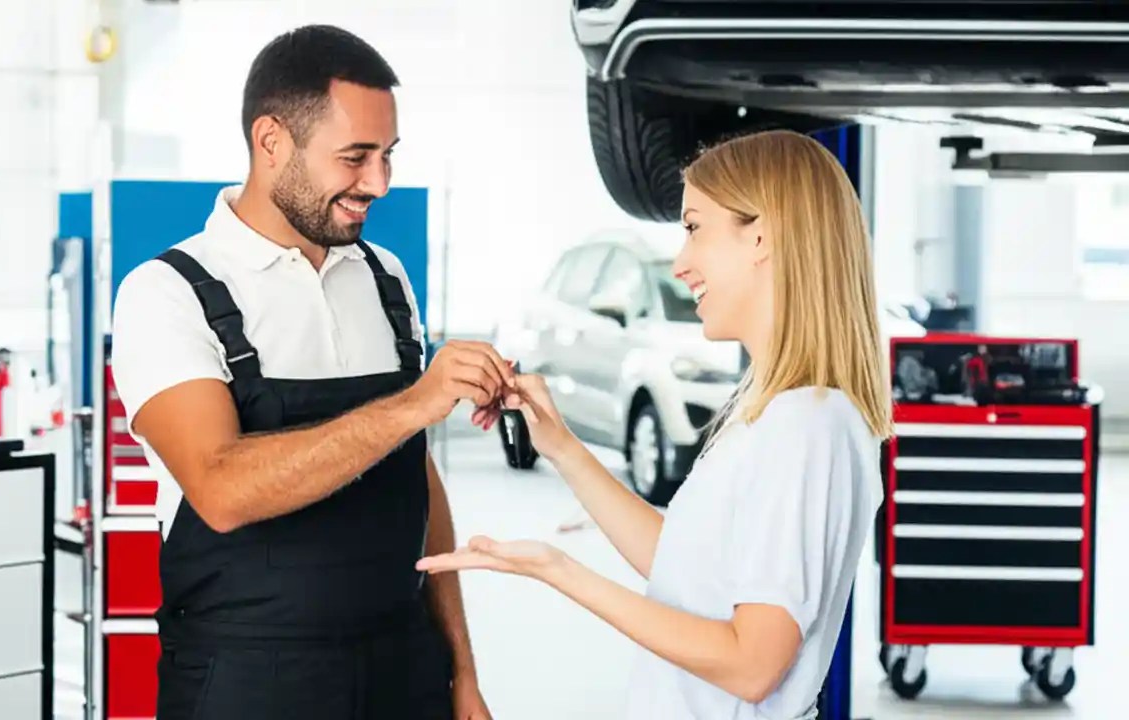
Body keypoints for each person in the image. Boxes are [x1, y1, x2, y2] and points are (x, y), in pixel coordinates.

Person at [419, 129, 892, 719]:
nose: (681, 263)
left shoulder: (806, 427)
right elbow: (686, 567)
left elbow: (754, 664)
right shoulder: (774, 414)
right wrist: (561, 446)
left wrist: (558, 569)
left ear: (763, 236)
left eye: (694, 228)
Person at [111, 25, 500, 720]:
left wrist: (461, 670)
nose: (377, 183)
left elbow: (417, 479)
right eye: (355, 157)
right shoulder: (167, 292)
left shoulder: (386, 280)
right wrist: (413, 404)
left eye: (388, 156)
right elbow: (222, 487)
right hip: (246, 683)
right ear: (271, 142)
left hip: (403, 672)